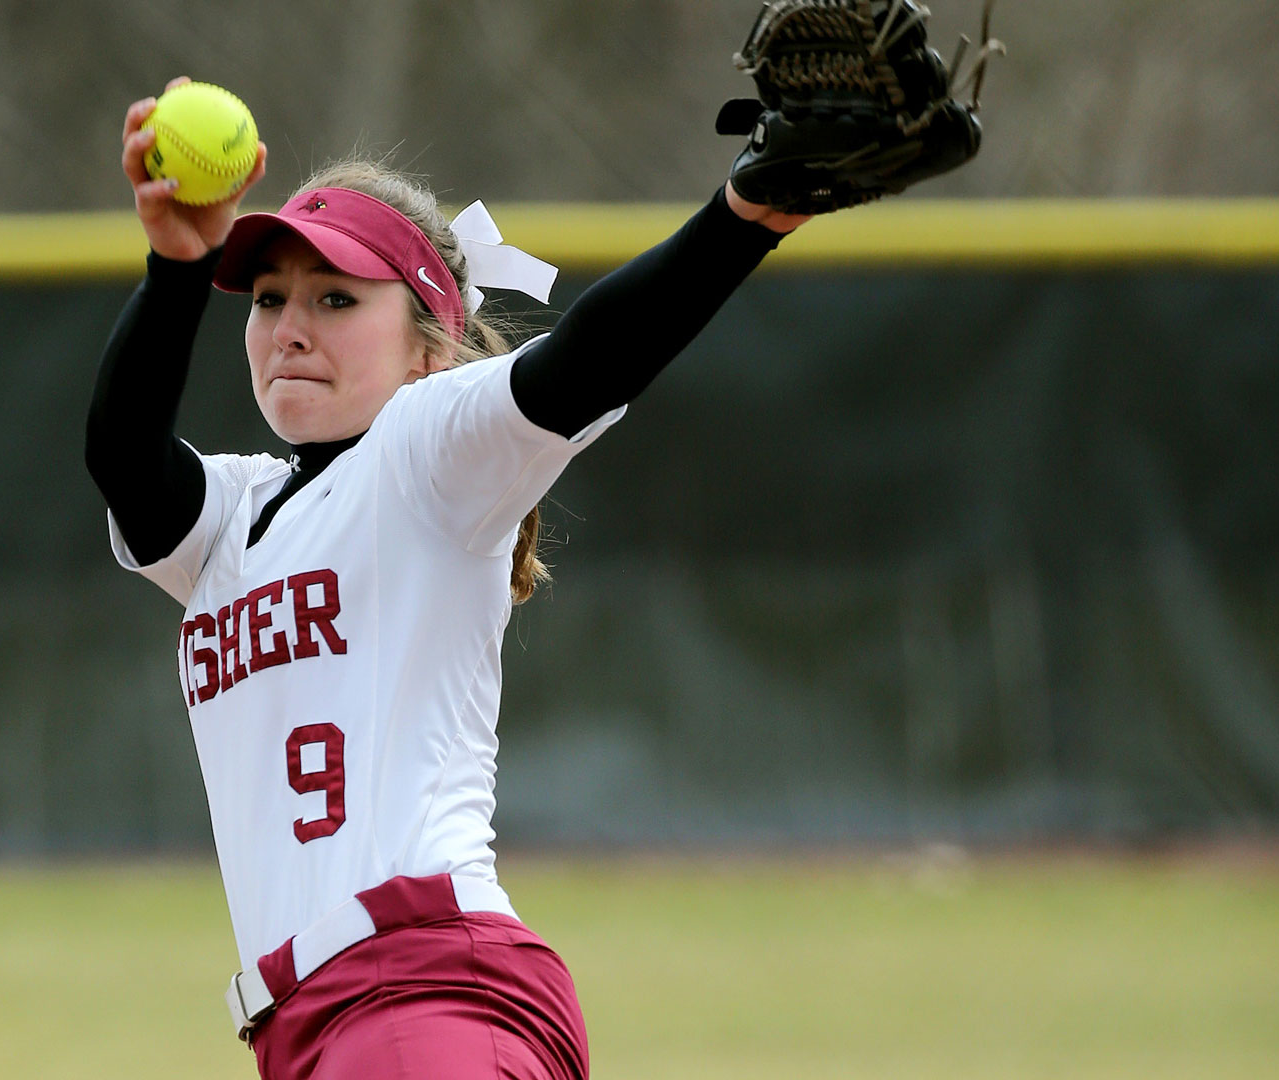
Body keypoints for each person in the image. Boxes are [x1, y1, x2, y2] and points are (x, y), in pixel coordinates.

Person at [85, 75, 807, 1080]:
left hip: (417, 995)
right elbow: (124, 459)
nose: (291, 326)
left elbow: (589, 358)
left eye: (336, 299)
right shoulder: (233, 517)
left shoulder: (425, 452)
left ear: (431, 353)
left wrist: (745, 216)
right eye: (268, 300)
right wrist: (175, 266)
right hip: (332, 1024)